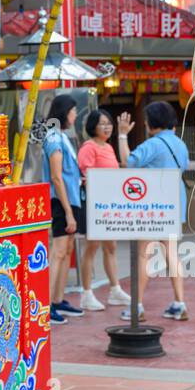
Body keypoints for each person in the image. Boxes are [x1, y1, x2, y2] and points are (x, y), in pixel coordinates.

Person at [117, 100, 191, 321]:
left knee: (144, 254)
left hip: (153, 204)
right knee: (171, 252)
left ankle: (136, 306)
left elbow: (128, 162)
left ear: (152, 122)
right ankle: (179, 303)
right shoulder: (180, 144)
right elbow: (184, 166)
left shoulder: (153, 144)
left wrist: (122, 135)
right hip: (174, 200)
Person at [77, 109, 130, 311]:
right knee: (92, 247)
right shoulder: (89, 147)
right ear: (93, 126)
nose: (107, 127)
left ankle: (115, 290)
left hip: (109, 204)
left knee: (111, 247)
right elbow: (86, 176)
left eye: (108, 123)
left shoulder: (108, 147)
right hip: (95, 204)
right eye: (102, 123)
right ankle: (86, 294)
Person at [42, 93, 85, 325]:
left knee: (66, 250)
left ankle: (58, 300)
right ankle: (46, 305)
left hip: (70, 198)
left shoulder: (61, 136)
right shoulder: (53, 138)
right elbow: (56, 177)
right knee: (58, 252)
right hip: (61, 201)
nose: (75, 115)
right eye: (73, 111)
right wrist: (68, 211)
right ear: (64, 112)